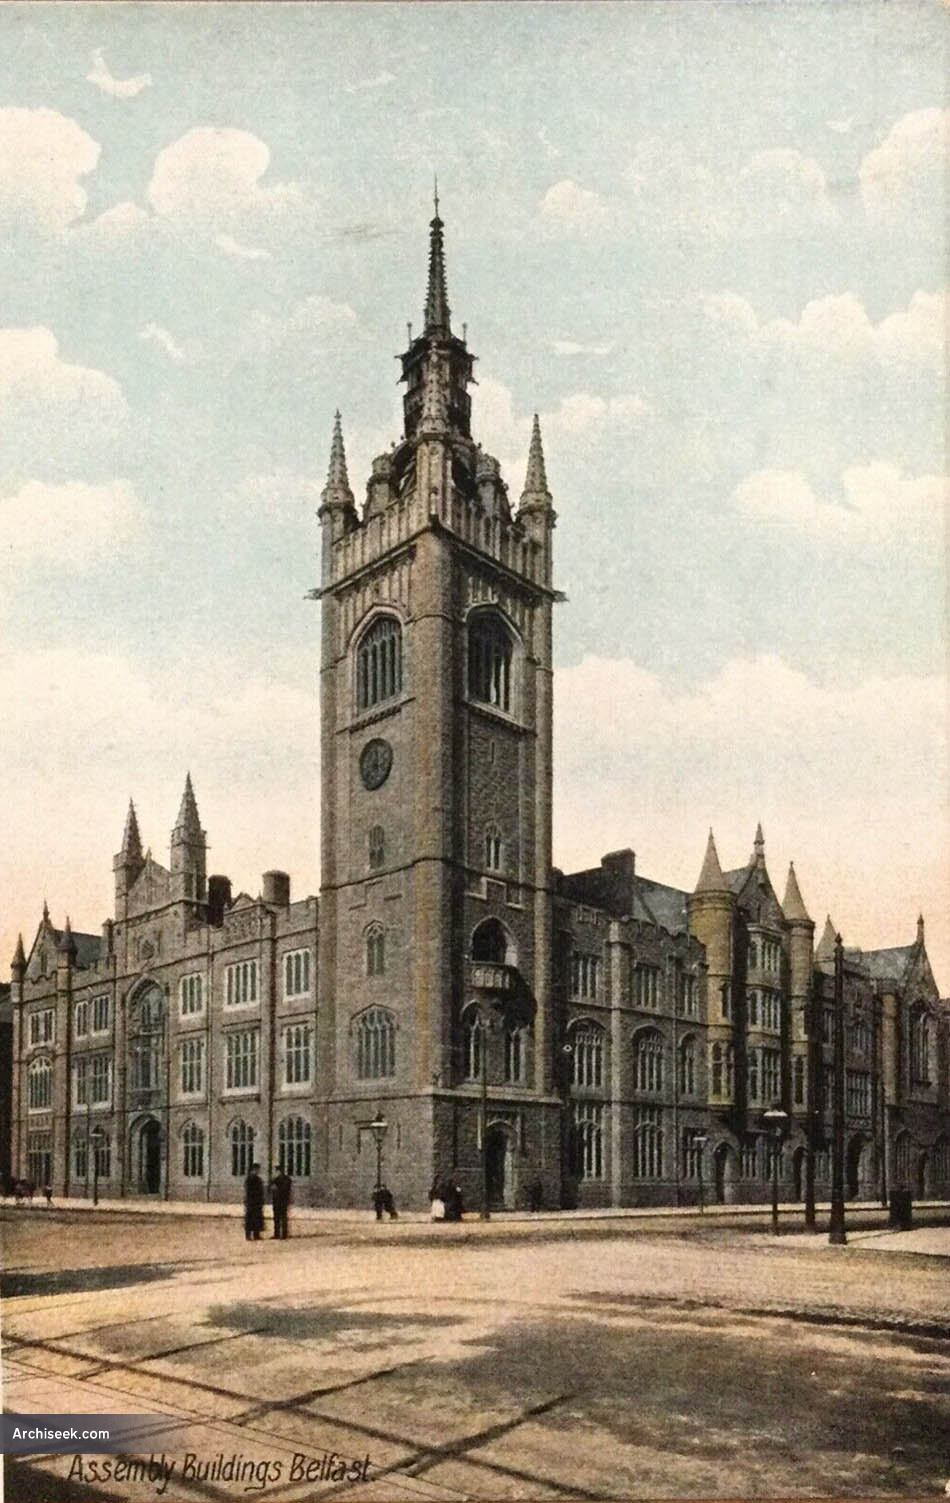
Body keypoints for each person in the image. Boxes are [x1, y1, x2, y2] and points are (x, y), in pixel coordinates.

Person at [243, 1162, 265, 1241]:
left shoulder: (258, 1179)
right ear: (253, 1170)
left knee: (257, 1218)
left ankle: (256, 1234)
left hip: (257, 1202)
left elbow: (261, 1191)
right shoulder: (249, 1179)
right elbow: (249, 1191)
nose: (258, 1171)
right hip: (251, 1202)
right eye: (257, 1170)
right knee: (250, 1219)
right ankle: (248, 1235)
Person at [270, 1165, 292, 1239]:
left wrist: (277, 1189)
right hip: (276, 1201)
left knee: (283, 1218)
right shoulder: (275, 1179)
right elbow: (270, 1188)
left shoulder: (286, 1179)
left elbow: (285, 1190)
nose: (277, 1172)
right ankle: (276, 1234)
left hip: (283, 1201)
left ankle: (284, 1234)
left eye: (278, 1171)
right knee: (276, 1218)